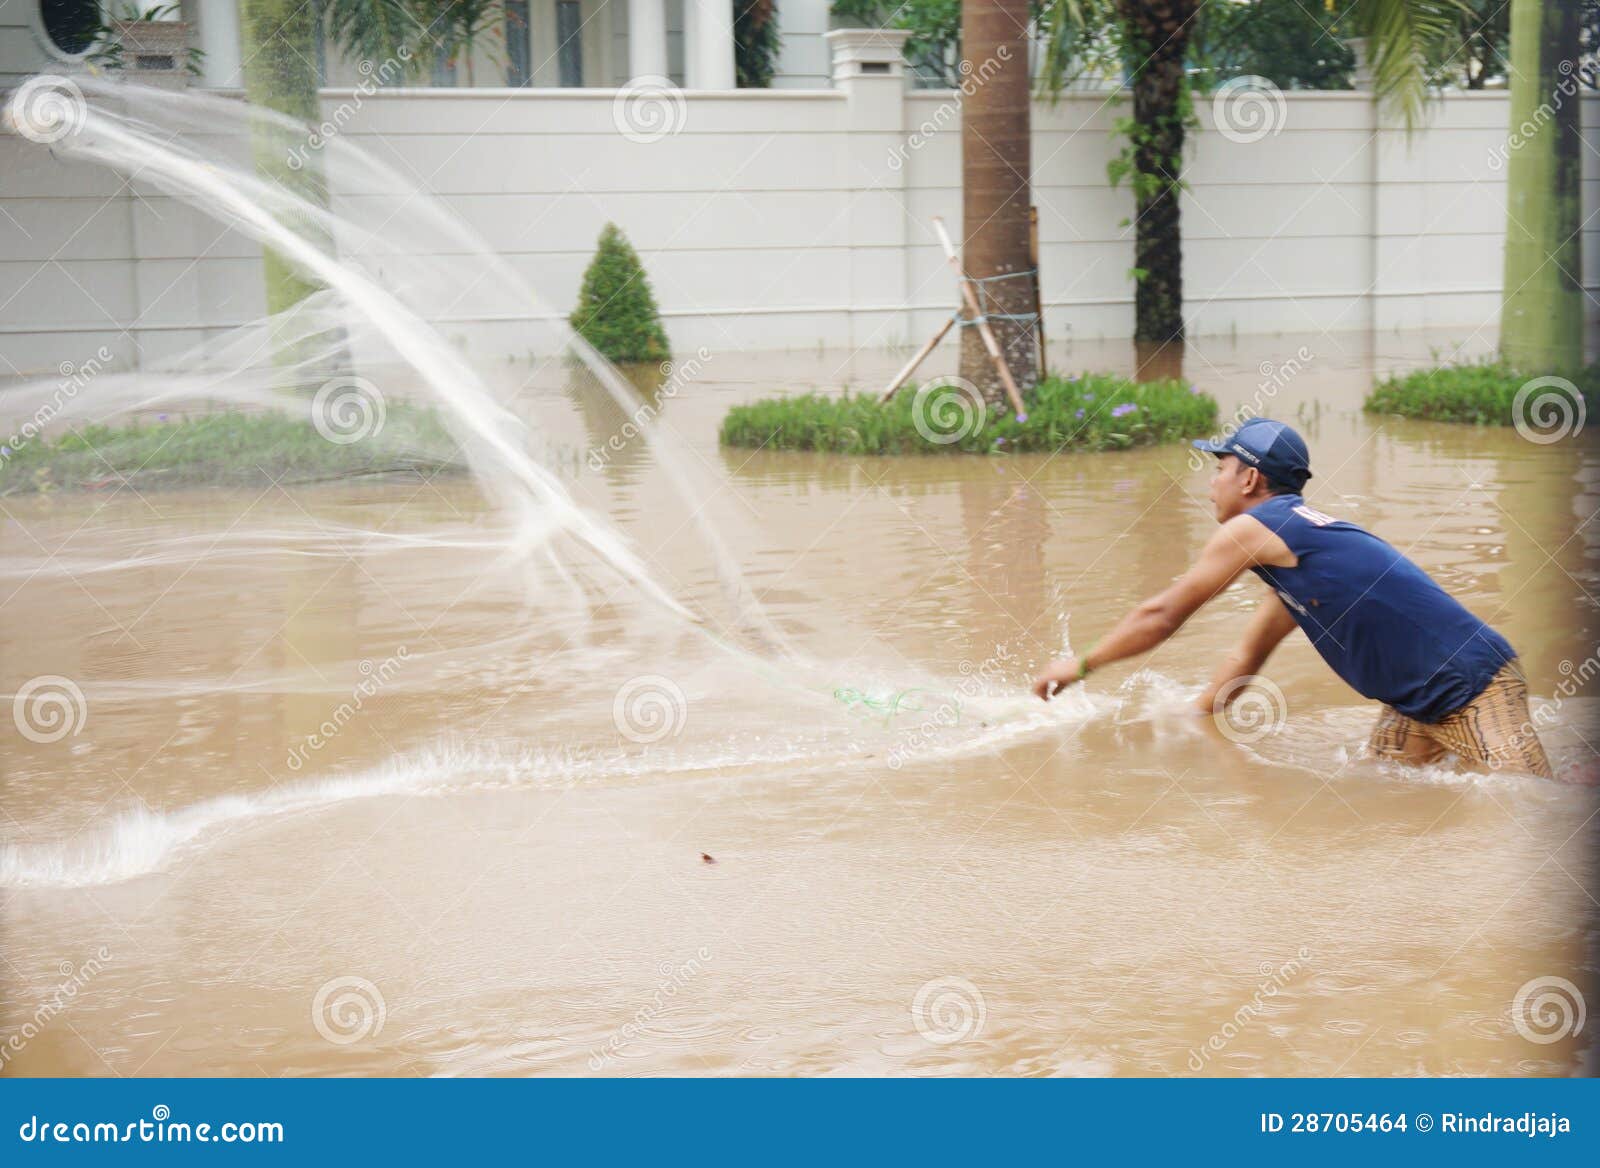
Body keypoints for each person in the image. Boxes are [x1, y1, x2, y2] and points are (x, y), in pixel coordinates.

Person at [1030, 417, 1553, 778]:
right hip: (1415, 706)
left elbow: (1163, 614)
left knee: (1536, 807)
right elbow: (1244, 661)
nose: (1212, 482)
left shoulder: (1258, 527)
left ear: (1251, 478)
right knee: (1390, 803)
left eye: (1220, 467)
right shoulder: (1299, 563)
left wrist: (1079, 665)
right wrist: (1182, 723)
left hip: (1474, 688)